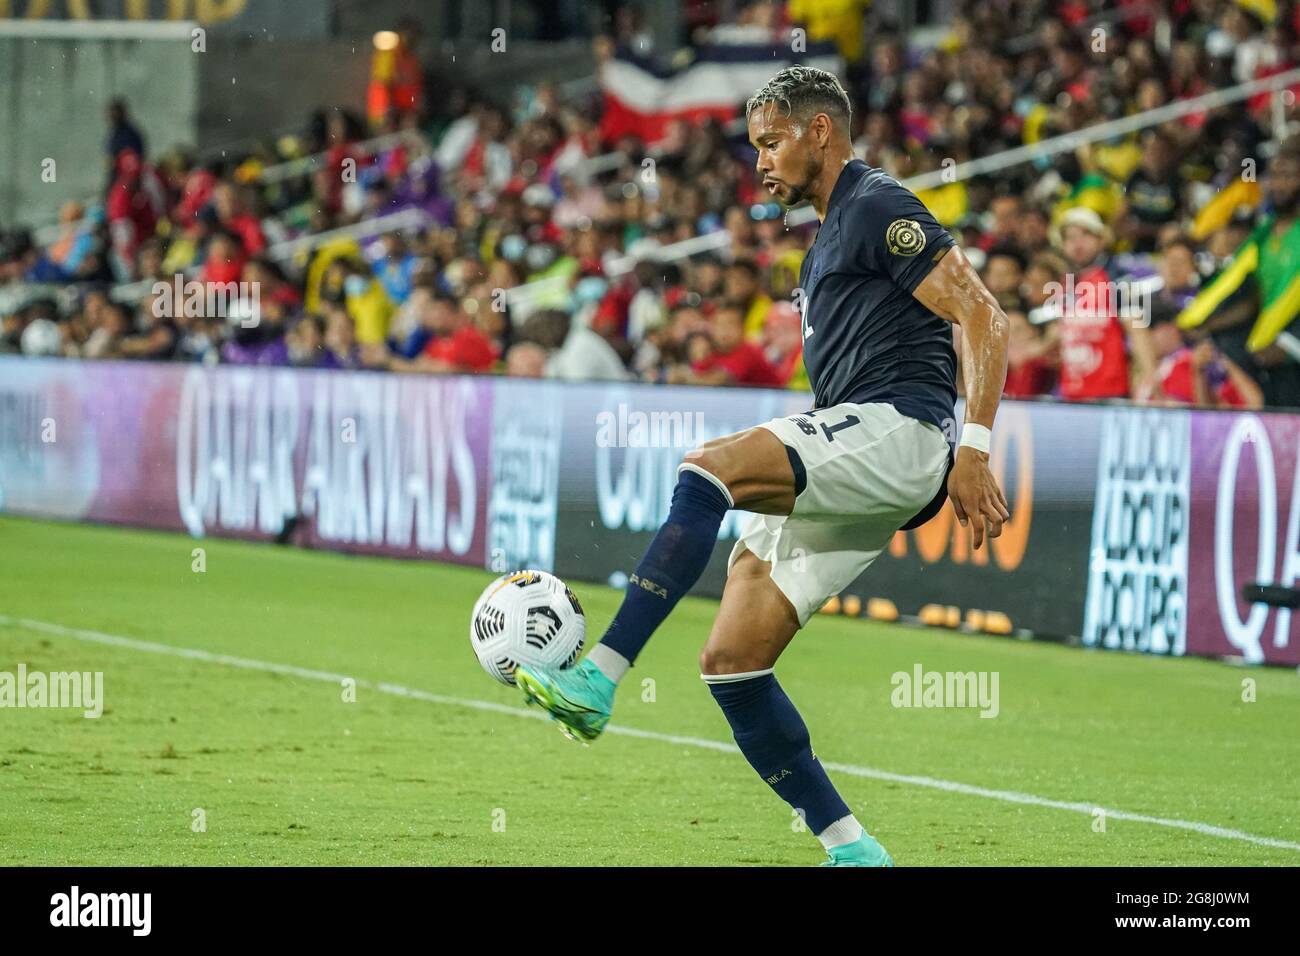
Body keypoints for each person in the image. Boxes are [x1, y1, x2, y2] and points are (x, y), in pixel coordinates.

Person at [513, 66, 1010, 868]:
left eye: (772, 142)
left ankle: (600, 676)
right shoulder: (826, 236)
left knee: (708, 467)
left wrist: (975, 447)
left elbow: (985, 315)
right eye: (755, 148)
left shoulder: (877, 203)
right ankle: (852, 850)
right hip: (861, 448)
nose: (762, 164)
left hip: (901, 432)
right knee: (732, 663)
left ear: (820, 131)